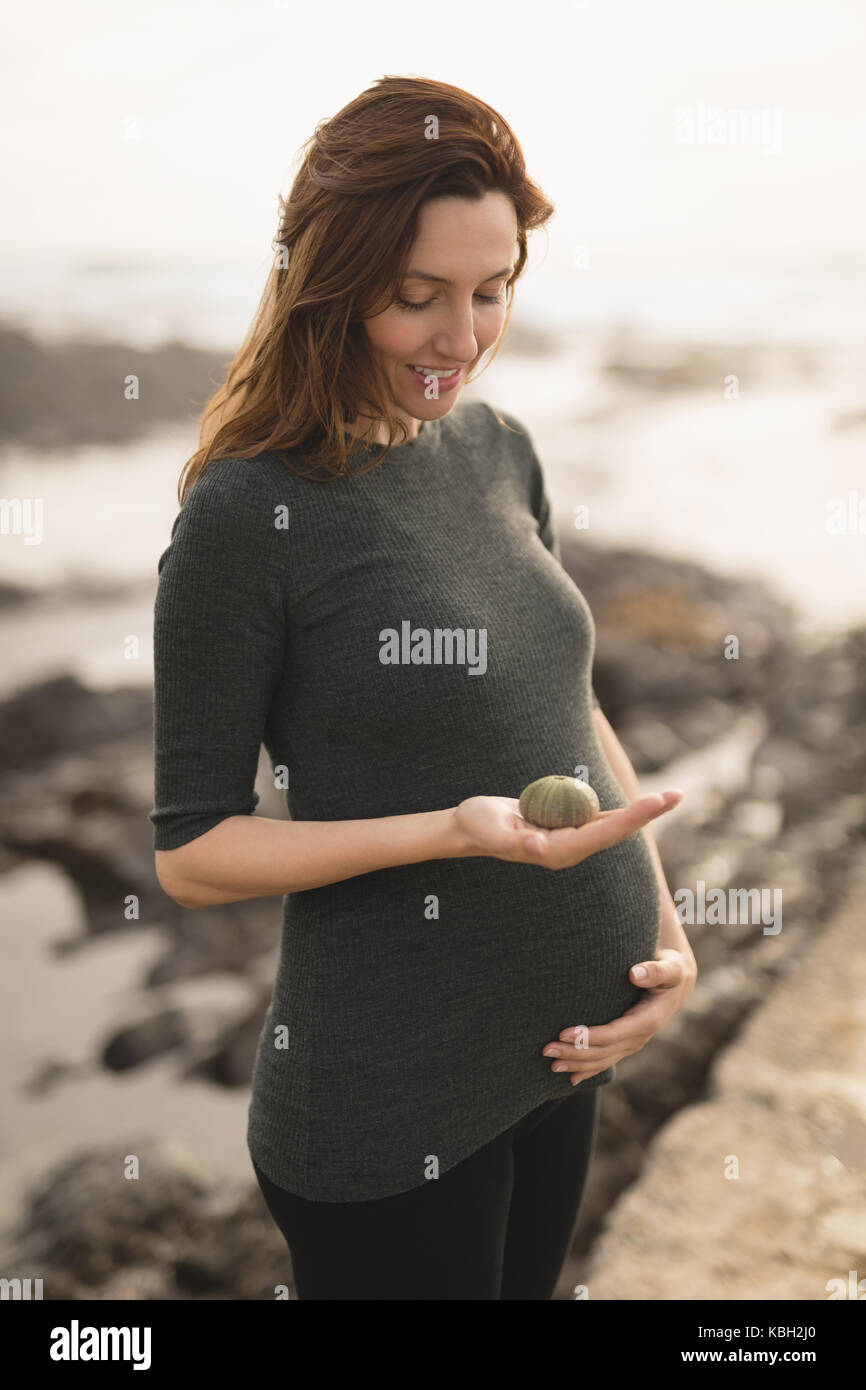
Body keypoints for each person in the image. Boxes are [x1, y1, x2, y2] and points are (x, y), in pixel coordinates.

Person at [150, 75, 697, 1300]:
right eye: (418, 298)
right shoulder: (249, 515)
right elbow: (191, 852)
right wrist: (446, 831)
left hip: (558, 1059)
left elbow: (572, 704)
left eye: (491, 290)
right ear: (331, 284)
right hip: (388, 1118)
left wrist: (663, 937)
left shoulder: (499, 451)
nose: (462, 336)